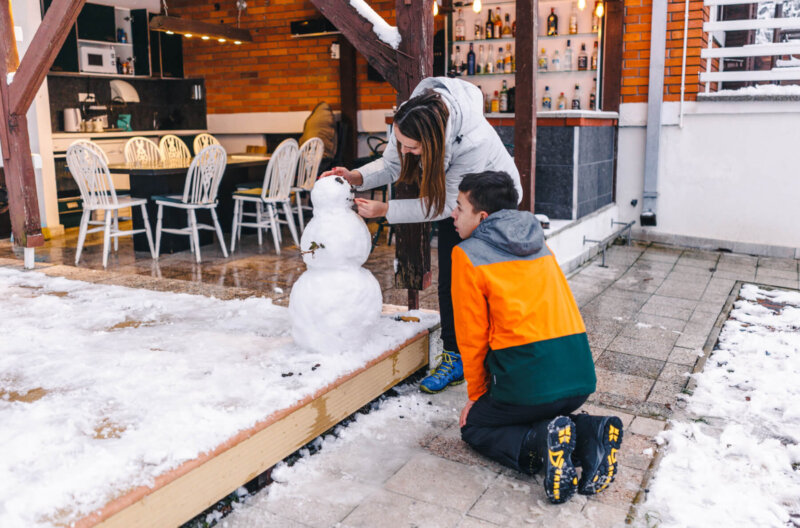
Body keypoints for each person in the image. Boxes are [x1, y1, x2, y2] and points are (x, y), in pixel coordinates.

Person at [321, 77, 522, 394]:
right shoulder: (409, 117)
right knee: (451, 280)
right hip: (456, 203)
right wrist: (355, 176)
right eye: (400, 141)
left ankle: (500, 356)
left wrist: (386, 209)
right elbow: (392, 164)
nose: (404, 150)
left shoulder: (473, 140)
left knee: (488, 283)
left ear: (435, 140)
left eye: (411, 147)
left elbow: (441, 205)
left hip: (492, 204)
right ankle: (455, 358)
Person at [450, 171, 623, 504]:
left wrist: (476, 395)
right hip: (579, 377)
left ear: (482, 217)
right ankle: (591, 432)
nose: (453, 215)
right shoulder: (537, 241)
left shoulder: (467, 254)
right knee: (535, 408)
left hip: (527, 383)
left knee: (475, 427)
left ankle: (544, 442)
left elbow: (472, 336)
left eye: (459, 207)